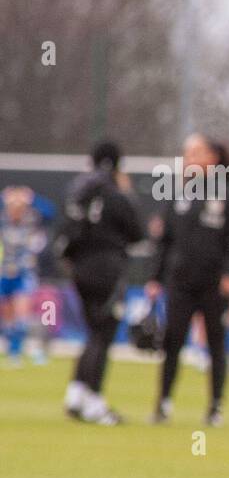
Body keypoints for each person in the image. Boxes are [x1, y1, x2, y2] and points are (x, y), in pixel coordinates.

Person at [146, 134, 229, 426]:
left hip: (215, 283)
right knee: (173, 342)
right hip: (179, 282)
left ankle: (215, 407)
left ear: (213, 158)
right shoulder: (177, 194)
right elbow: (163, 240)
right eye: (187, 153)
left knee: (216, 344)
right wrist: (155, 278)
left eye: (196, 153)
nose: (190, 159)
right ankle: (163, 403)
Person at [54, 142, 145, 424]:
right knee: (103, 335)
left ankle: (76, 394)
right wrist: (127, 193)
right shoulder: (115, 195)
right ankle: (94, 401)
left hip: (80, 269)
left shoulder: (78, 192)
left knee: (92, 332)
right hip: (108, 269)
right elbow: (138, 233)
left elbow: (65, 235)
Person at [0, 186, 47, 366]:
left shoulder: (31, 220)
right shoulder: (3, 221)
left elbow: (50, 212)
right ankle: (13, 351)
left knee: (23, 313)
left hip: (23, 273)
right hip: (4, 273)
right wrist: (6, 196)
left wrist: (31, 197)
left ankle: (30, 349)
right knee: (7, 316)